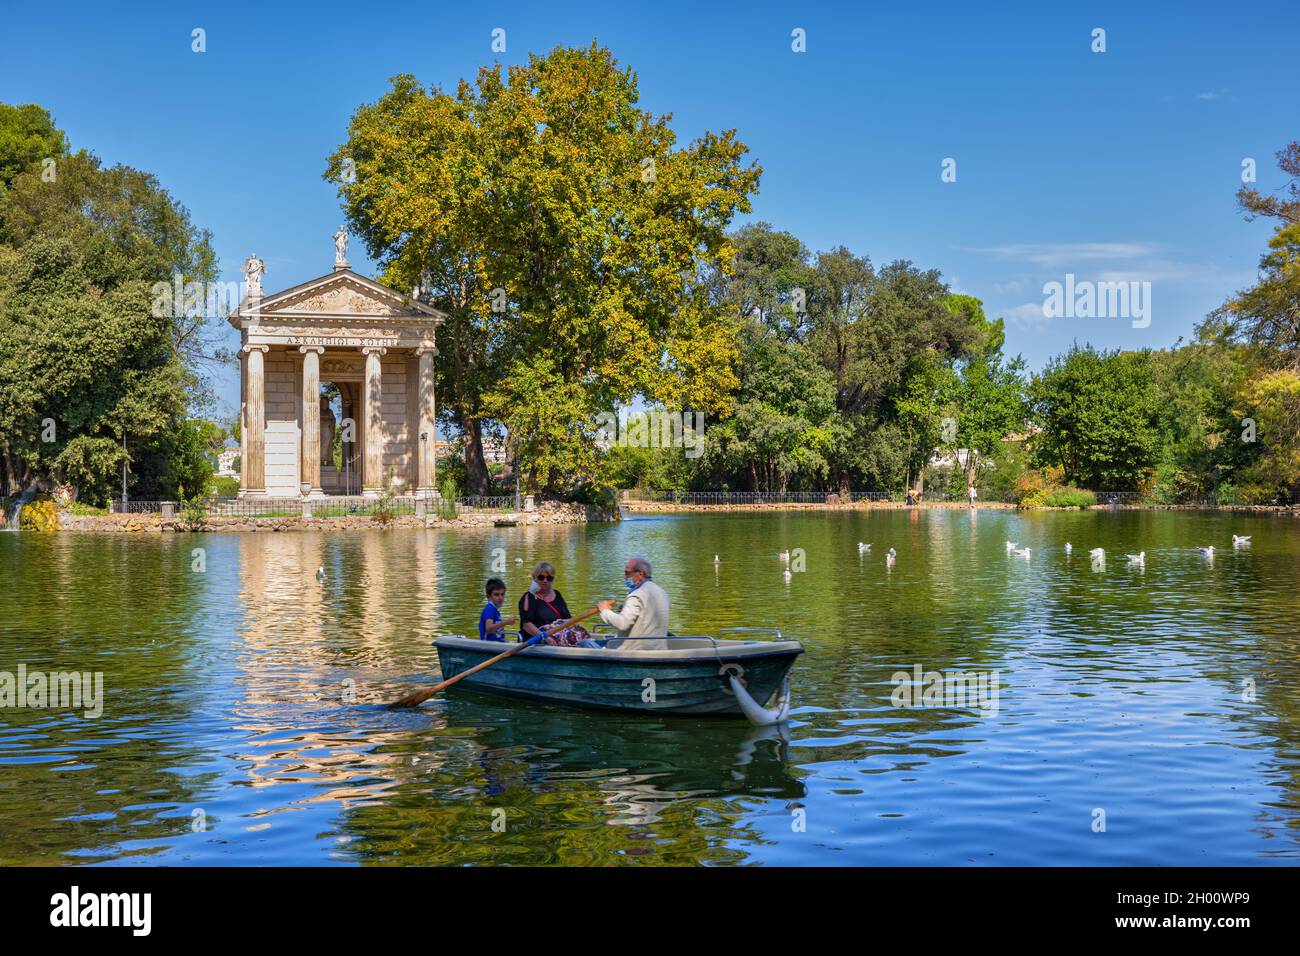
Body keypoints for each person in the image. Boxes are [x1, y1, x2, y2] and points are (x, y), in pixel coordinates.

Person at [597, 556, 671, 651]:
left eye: (627, 573)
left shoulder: (637, 595)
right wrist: (624, 609)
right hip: (658, 649)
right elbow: (646, 616)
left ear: (640, 574)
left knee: (583, 642)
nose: (624, 577)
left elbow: (622, 624)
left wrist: (604, 610)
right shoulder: (662, 592)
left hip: (630, 651)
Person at [518, 562, 588, 646]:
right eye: (541, 577)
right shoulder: (529, 597)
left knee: (583, 638)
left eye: (549, 578)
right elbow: (526, 625)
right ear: (535, 578)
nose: (545, 580)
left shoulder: (557, 594)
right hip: (538, 639)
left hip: (558, 636)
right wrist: (545, 637)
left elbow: (568, 619)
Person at [478, 578, 516, 642]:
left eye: (502, 594)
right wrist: (506, 622)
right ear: (488, 596)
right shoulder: (489, 609)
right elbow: (489, 628)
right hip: (488, 646)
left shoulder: (495, 611)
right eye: (496, 594)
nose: (500, 598)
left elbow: (497, 633)